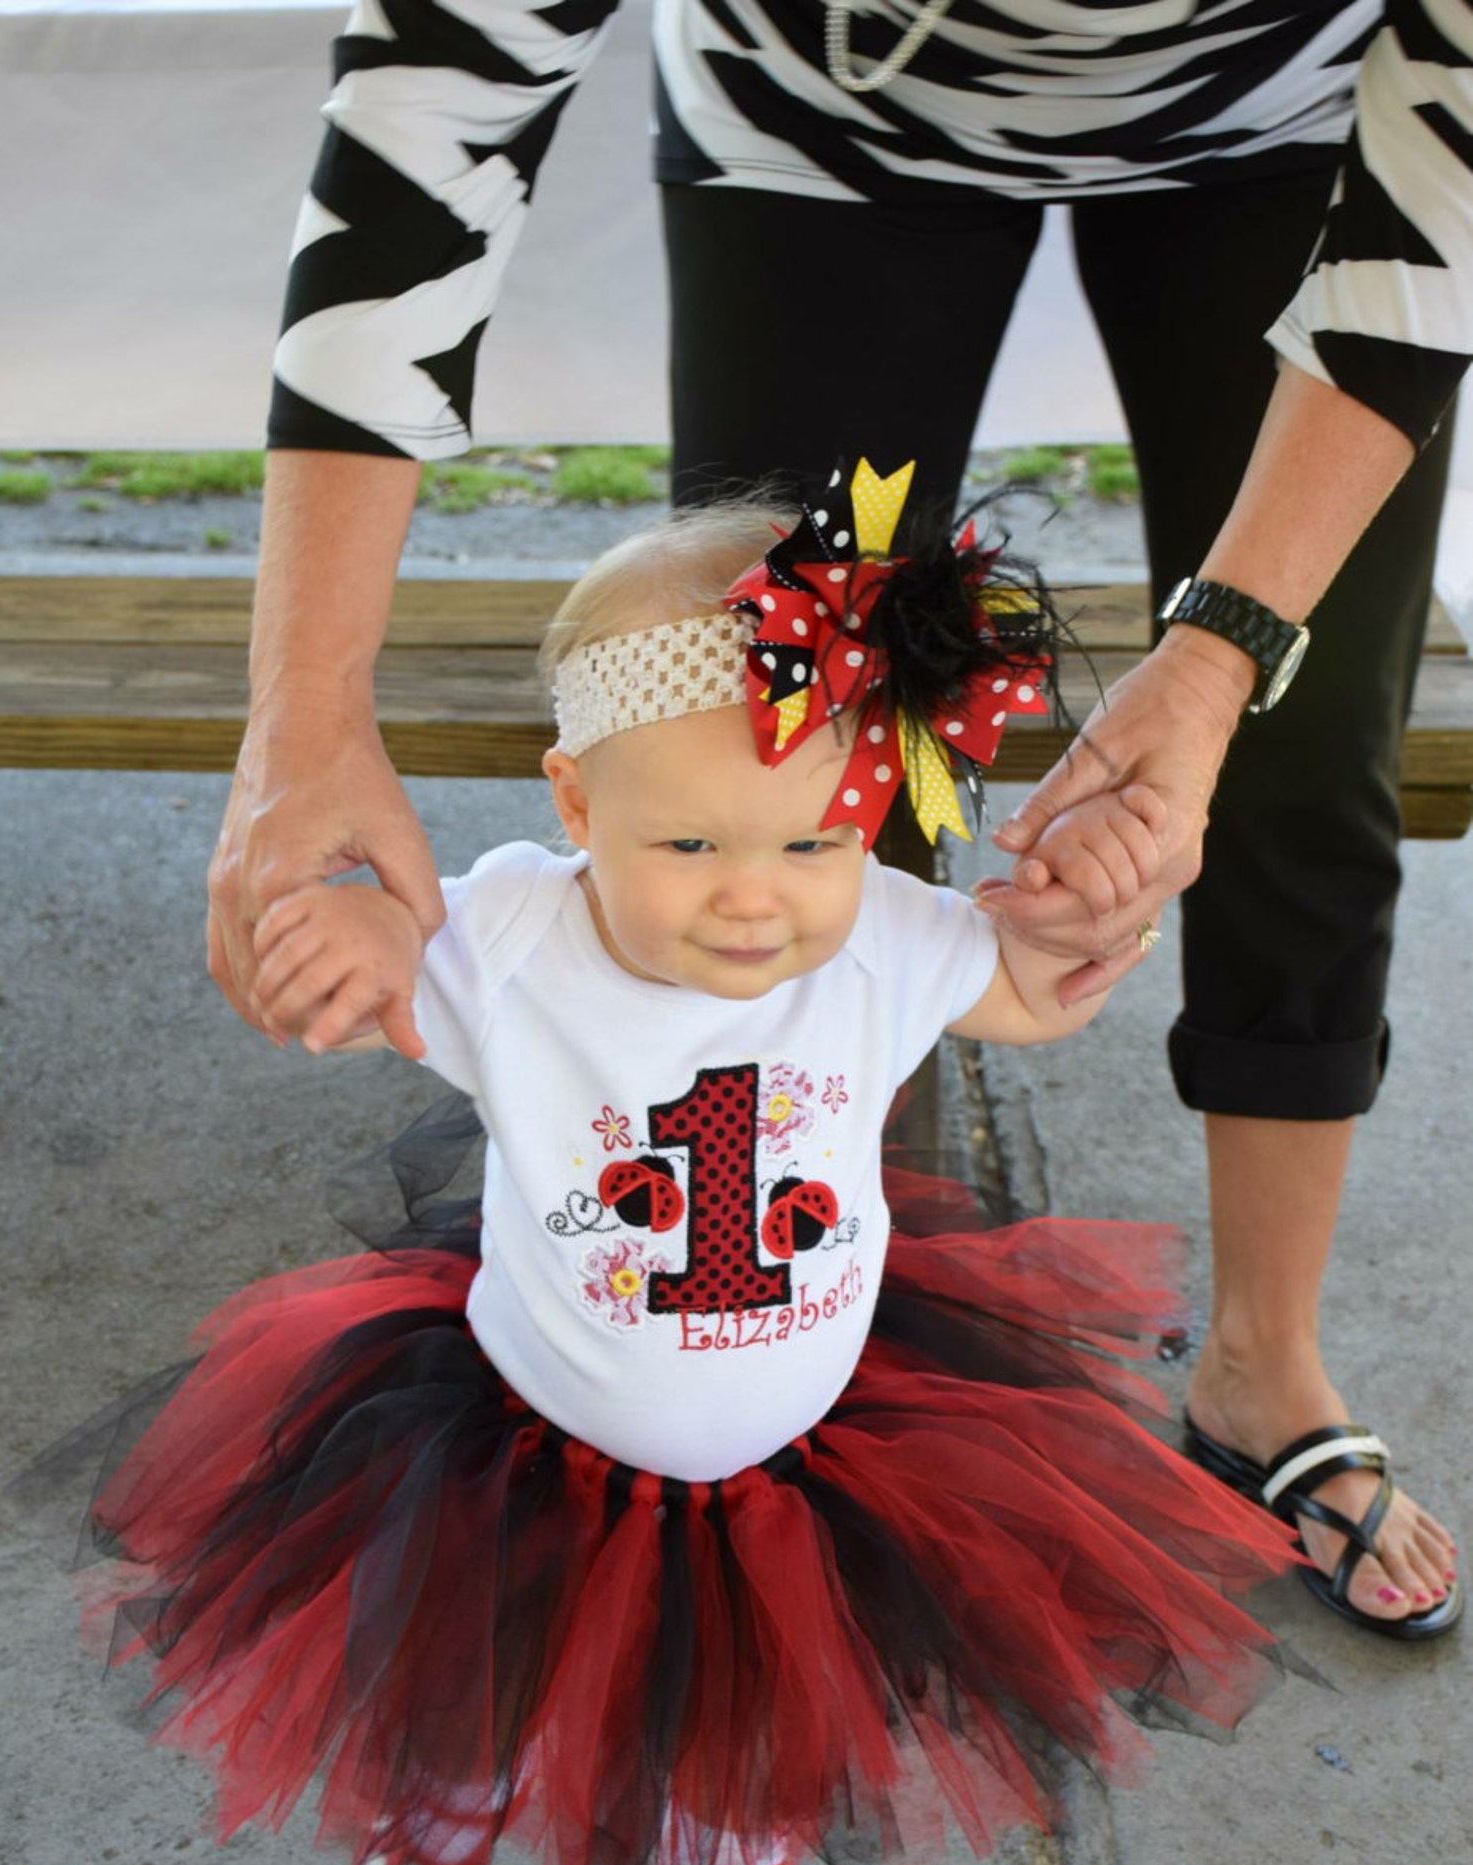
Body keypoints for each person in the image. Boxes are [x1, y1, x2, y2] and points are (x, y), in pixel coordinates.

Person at [212, 0, 1469, 1635]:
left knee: (1300, 754)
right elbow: (425, 113)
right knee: (762, 739)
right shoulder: (528, 917)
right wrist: (303, 720)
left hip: (1285, 125)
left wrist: (1175, 740)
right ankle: (782, 1349)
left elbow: (1442, 194)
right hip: (825, 118)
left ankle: (1266, 1357)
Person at [87, 481, 1299, 1865]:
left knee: (749, 1685)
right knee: (488, 1647)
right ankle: (452, 1791)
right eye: (689, 840)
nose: (755, 891)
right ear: (577, 806)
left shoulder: (878, 932)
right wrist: (354, 936)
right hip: (532, 1441)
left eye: (812, 837)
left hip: (795, 1452)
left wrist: (1081, 924)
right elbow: (389, 970)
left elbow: (1021, 987)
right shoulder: (511, 943)